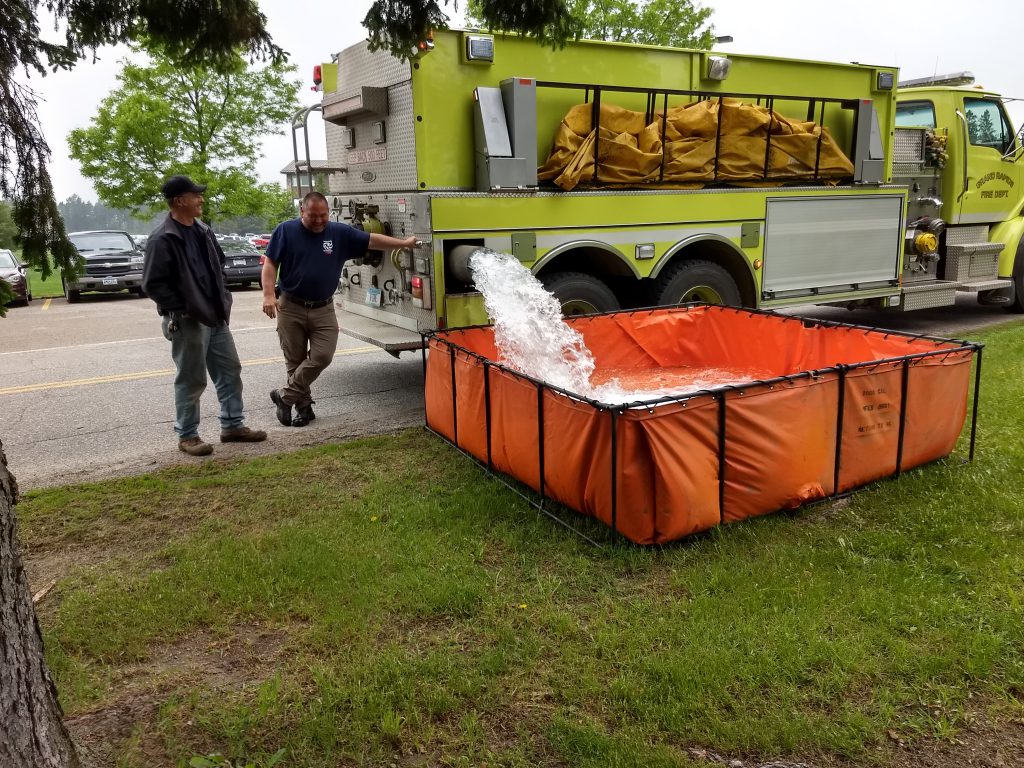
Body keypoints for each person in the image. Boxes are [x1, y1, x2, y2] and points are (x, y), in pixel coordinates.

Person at [262, 191, 416, 426]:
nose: (319, 220)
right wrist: (267, 295)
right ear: (302, 212)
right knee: (294, 360)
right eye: (313, 216)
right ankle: (303, 409)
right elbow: (271, 263)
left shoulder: (338, 233)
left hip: (323, 307)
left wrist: (403, 244)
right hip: (290, 305)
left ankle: (284, 397)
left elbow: (373, 240)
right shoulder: (286, 230)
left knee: (322, 356)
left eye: (323, 215)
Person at [142, 175, 267, 455]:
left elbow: (218, 263)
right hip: (187, 320)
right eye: (195, 195)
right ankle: (187, 436)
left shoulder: (203, 230)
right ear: (179, 201)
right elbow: (152, 284)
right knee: (192, 379)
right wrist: (184, 308)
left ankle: (232, 426)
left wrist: (221, 296)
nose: (201, 199)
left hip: (215, 316)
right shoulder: (163, 238)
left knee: (230, 371)